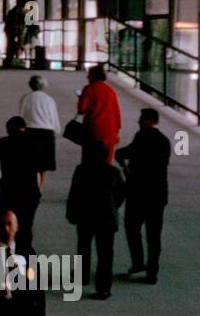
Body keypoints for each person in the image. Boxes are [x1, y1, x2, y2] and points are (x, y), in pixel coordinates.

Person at [116, 108, 172, 284]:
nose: (138, 121)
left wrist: (121, 161)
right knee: (154, 234)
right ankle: (152, 271)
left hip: (138, 192)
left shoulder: (141, 136)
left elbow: (128, 152)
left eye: (141, 119)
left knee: (132, 227)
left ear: (149, 120)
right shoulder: (164, 141)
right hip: (158, 193)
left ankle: (138, 262)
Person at [66, 138, 125, 299]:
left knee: (83, 247)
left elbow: (74, 194)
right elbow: (121, 193)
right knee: (105, 254)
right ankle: (103, 288)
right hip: (106, 219)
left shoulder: (81, 170)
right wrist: (114, 206)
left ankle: (82, 276)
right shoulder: (113, 172)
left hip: (85, 216)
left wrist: (71, 213)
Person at [0, 116, 43, 250]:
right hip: (29, 193)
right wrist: (37, 191)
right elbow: (40, 169)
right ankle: (26, 255)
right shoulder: (34, 142)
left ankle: (9, 254)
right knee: (26, 226)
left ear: (9, 129)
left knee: (8, 226)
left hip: (9, 192)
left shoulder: (4, 142)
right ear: (24, 128)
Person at [76, 64, 122, 165]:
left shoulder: (89, 89)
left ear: (94, 76)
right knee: (107, 161)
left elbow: (81, 109)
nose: (87, 77)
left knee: (89, 160)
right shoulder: (110, 90)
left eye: (89, 75)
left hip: (93, 130)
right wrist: (117, 131)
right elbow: (117, 113)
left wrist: (80, 98)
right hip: (110, 131)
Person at [19, 75, 60, 184]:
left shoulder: (25, 98)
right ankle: (39, 187)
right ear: (43, 85)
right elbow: (54, 117)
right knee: (43, 166)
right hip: (46, 133)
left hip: (30, 132)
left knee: (30, 164)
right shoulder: (49, 99)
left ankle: (32, 186)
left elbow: (21, 116)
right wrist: (56, 130)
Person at [3, 1, 28, 67]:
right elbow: (20, 26)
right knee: (15, 44)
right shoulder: (20, 13)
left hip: (9, 30)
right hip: (13, 30)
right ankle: (14, 59)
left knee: (11, 44)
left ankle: (9, 59)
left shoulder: (12, 11)